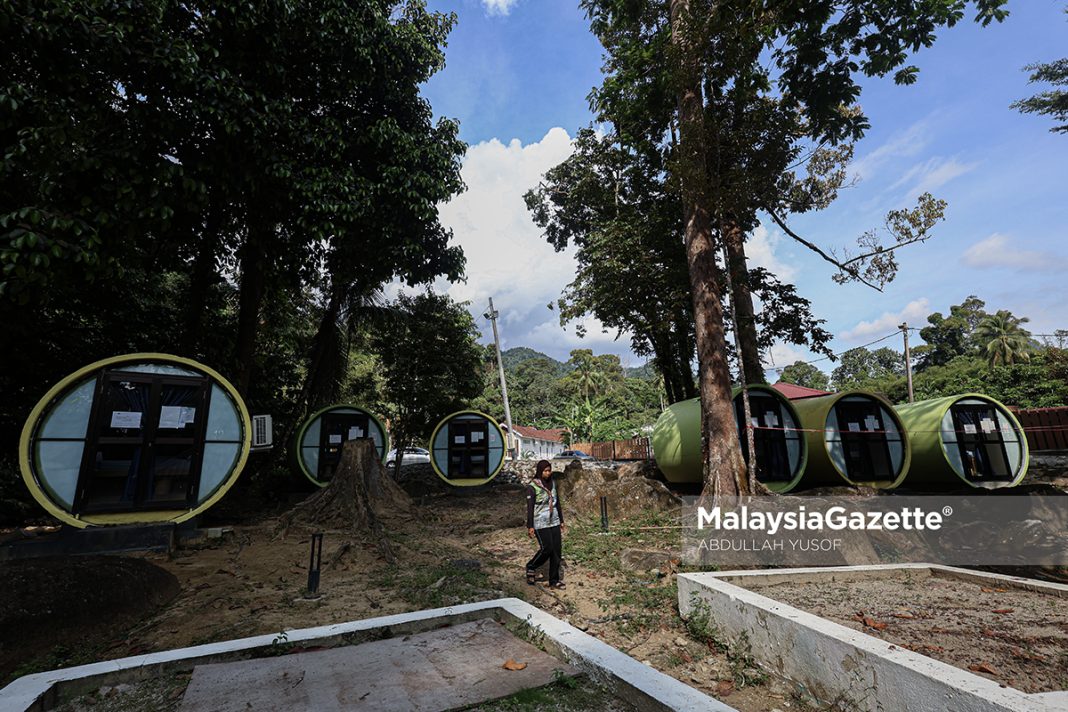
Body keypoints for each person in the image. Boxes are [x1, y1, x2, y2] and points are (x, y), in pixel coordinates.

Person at [525, 459, 565, 589]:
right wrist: (530, 526)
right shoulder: (532, 487)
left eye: (549, 470)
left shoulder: (552, 483)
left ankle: (554, 580)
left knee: (556, 551)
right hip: (540, 522)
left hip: (554, 520)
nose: (548, 473)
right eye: (545, 471)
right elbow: (530, 508)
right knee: (547, 548)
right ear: (540, 471)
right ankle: (531, 566)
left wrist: (562, 520)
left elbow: (557, 502)